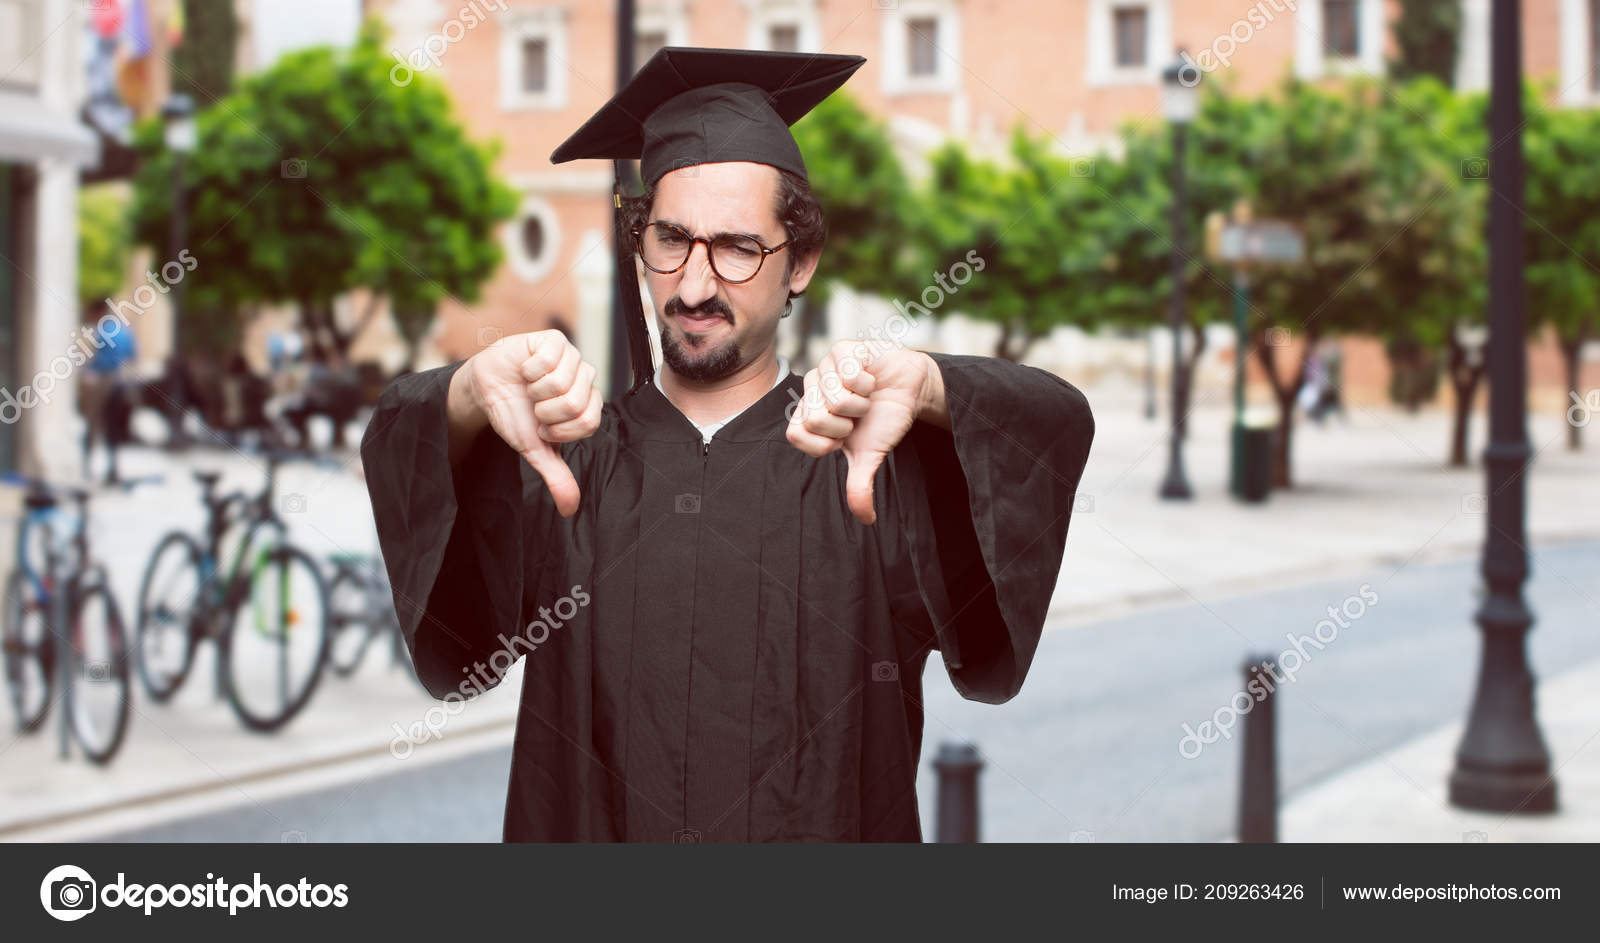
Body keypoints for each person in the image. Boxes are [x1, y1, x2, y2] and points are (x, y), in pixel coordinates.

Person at [360, 47, 1095, 842]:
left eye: (739, 248)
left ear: (801, 260)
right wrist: (463, 397)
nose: (696, 284)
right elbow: (456, 645)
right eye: (671, 239)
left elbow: (1052, 424)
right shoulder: (567, 468)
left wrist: (933, 389)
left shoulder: (869, 471)